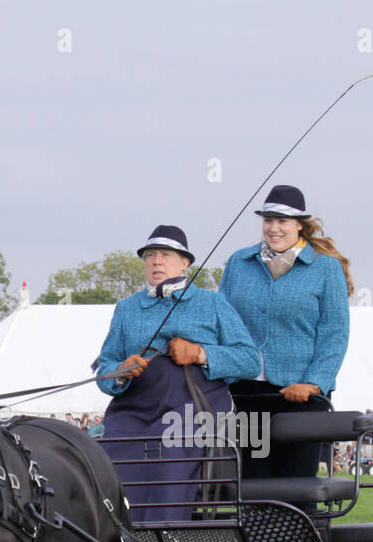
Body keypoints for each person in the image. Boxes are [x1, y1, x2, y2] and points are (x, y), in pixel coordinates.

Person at [97, 224, 259, 524]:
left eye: (165, 254)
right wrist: (120, 372)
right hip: (135, 405)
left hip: (193, 404)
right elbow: (104, 366)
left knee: (168, 451)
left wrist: (200, 353)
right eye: (150, 255)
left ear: (185, 263)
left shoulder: (213, 304)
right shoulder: (126, 309)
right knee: (109, 453)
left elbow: (249, 360)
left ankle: (165, 541)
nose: (156, 261)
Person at [218, 184, 351, 479]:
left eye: (282, 221)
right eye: (268, 220)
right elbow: (222, 322)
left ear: (299, 225)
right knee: (251, 483)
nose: (273, 228)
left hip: (300, 395)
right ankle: (252, 528)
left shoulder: (326, 268)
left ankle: (301, 527)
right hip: (244, 391)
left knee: (296, 483)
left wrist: (314, 382)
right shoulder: (239, 262)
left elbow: (335, 333)